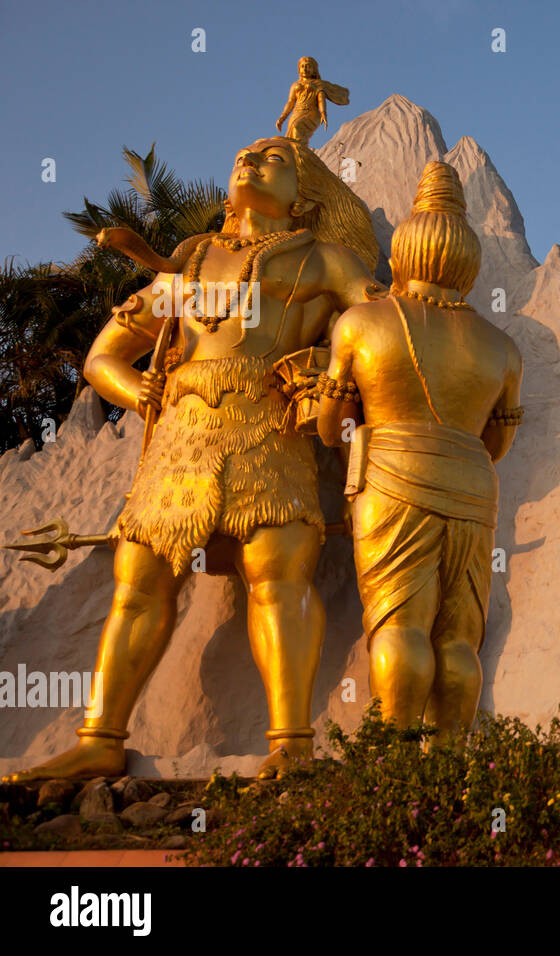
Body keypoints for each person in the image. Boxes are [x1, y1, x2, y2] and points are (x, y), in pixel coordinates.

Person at [3, 136, 381, 783]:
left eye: (273, 159)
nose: (251, 162)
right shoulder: (190, 265)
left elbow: (380, 326)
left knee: (277, 572)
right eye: (244, 155)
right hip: (181, 437)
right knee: (140, 576)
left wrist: (325, 366)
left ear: (304, 194)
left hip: (268, 430)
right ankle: (100, 737)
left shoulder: (325, 259)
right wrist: (136, 390)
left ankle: (291, 742)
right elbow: (103, 357)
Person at [318, 161, 523, 736]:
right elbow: (499, 443)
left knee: (400, 625)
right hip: (473, 488)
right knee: (460, 637)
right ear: (467, 263)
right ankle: (451, 768)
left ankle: (393, 765)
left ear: (404, 254)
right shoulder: (502, 348)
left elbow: (330, 426)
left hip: (390, 477)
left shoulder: (362, 322)